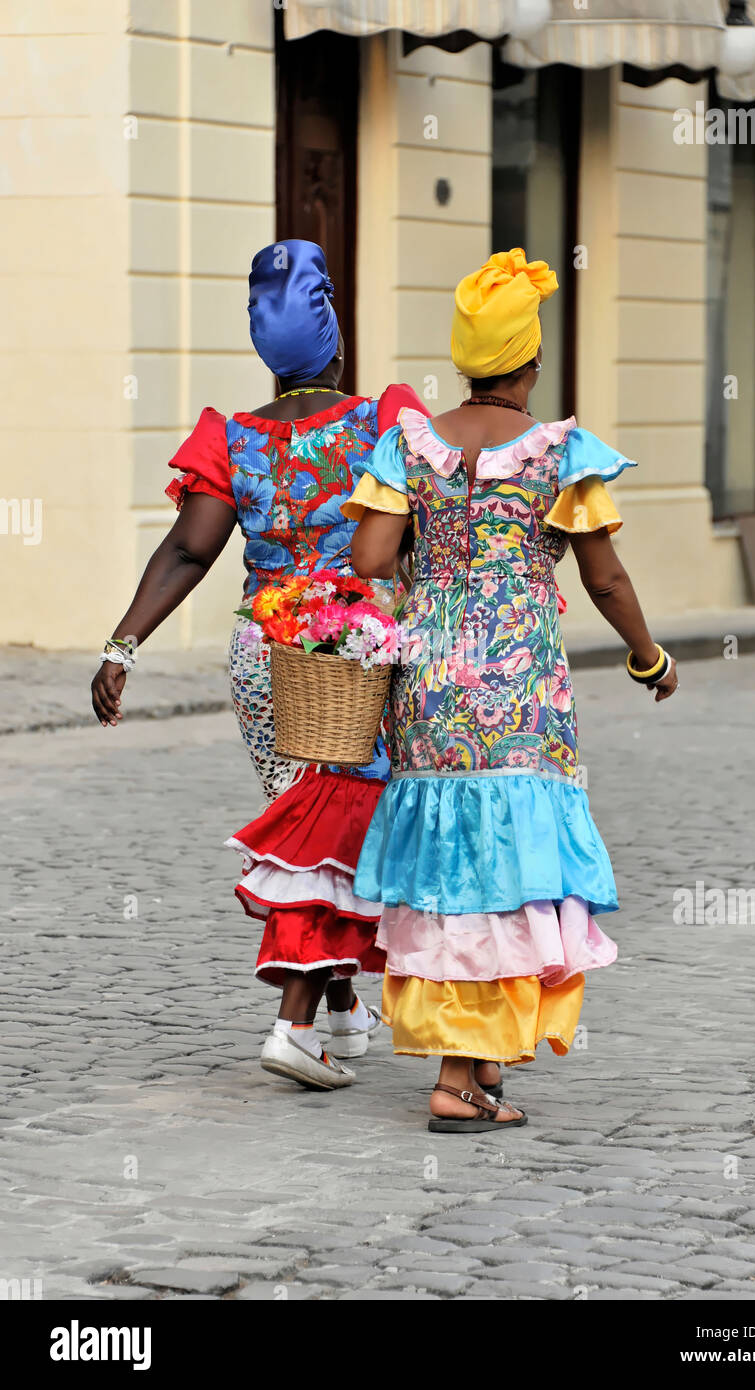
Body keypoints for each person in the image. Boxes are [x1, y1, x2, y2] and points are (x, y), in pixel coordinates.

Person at [344, 248, 678, 1132]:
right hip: (520, 679)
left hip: (428, 675)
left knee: (454, 862)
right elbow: (605, 580)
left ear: (465, 364)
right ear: (529, 365)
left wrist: (438, 553)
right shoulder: (560, 452)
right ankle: (460, 1076)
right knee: (510, 864)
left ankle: (478, 1065)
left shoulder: (408, 440)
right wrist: (648, 656)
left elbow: (370, 560)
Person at [91, 239, 424, 1093]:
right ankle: (297, 1027)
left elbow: (187, 550)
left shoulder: (231, 439)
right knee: (335, 830)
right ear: (335, 334)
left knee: (309, 819)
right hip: (356, 652)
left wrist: (122, 644)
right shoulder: (380, 423)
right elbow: (425, 529)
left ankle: (344, 1012)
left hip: (267, 654)